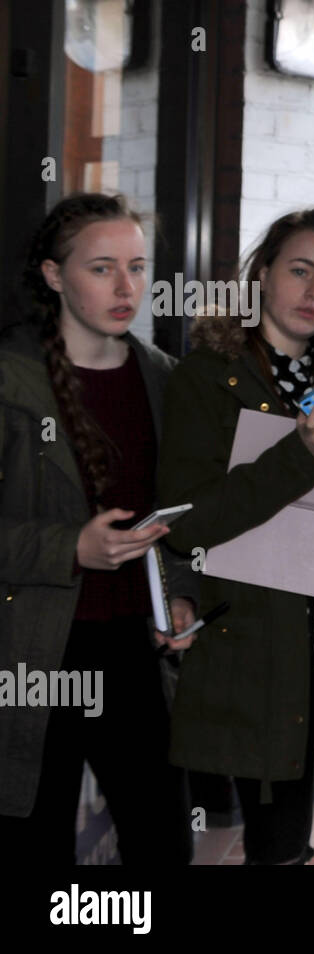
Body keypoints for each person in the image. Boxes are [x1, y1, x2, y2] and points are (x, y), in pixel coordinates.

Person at [158, 208, 314, 864]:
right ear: (262, 273)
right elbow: (188, 524)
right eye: (299, 270)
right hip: (264, 660)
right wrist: (298, 456)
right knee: (277, 849)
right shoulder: (207, 376)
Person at [0, 192, 194, 864]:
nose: (126, 286)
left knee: (165, 841)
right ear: (54, 275)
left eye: (138, 267)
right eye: (102, 267)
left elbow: (185, 518)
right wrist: (72, 547)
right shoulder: (10, 378)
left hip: (134, 650)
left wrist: (182, 597)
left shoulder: (164, 379)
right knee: (35, 838)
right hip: (32, 647)